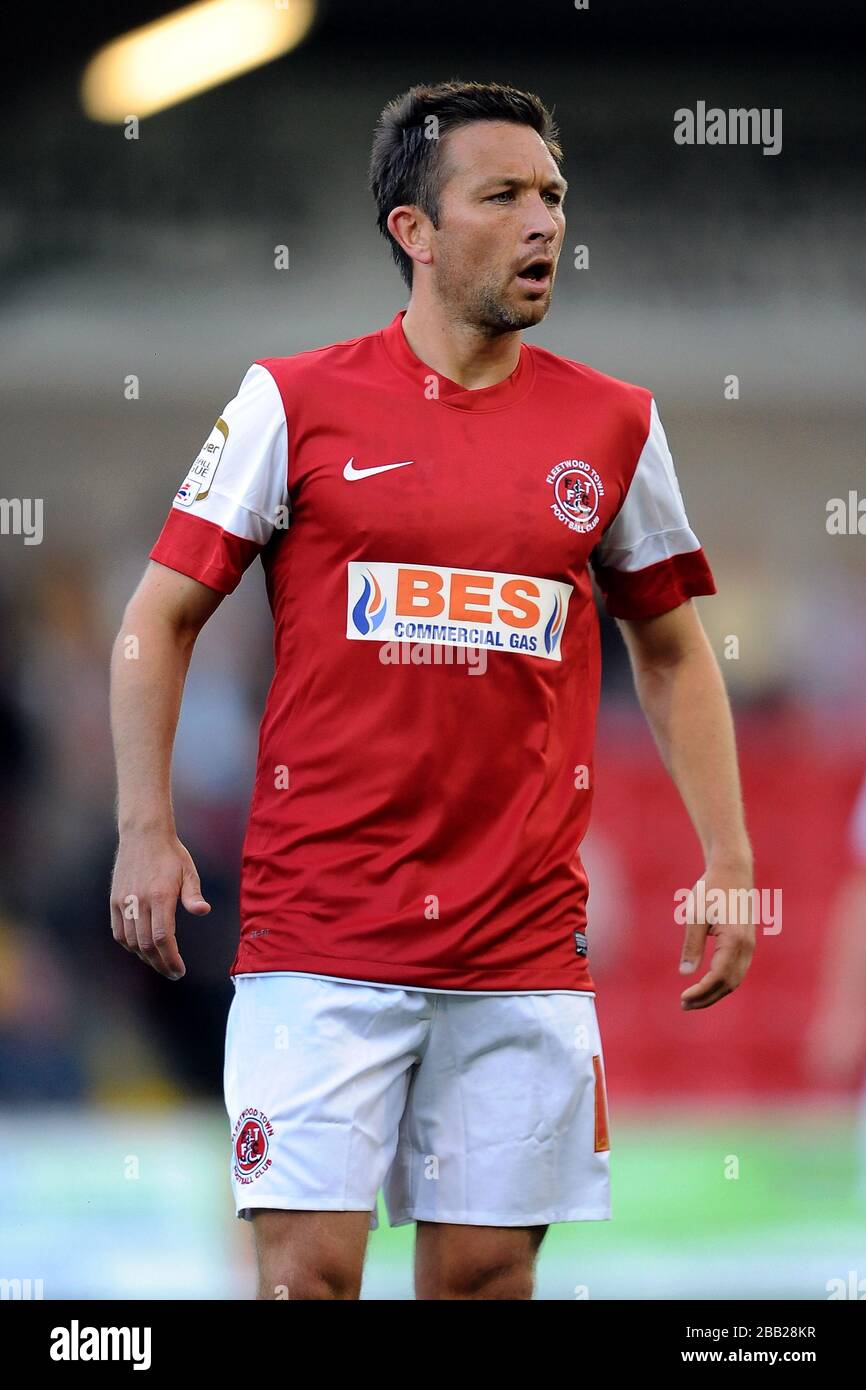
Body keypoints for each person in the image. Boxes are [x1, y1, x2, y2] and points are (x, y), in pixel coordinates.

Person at [109, 79, 755, 1300]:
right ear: (412, 228)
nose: (543, 222)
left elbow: (670, 650)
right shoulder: (289, 402)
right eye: (502, 194)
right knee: (306, 1278)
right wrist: (145, 828)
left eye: (553, 196)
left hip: (517, 940)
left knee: (481, 1284)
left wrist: (727, 854)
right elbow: (157, 615)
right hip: (320, 931)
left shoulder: (613, 426)